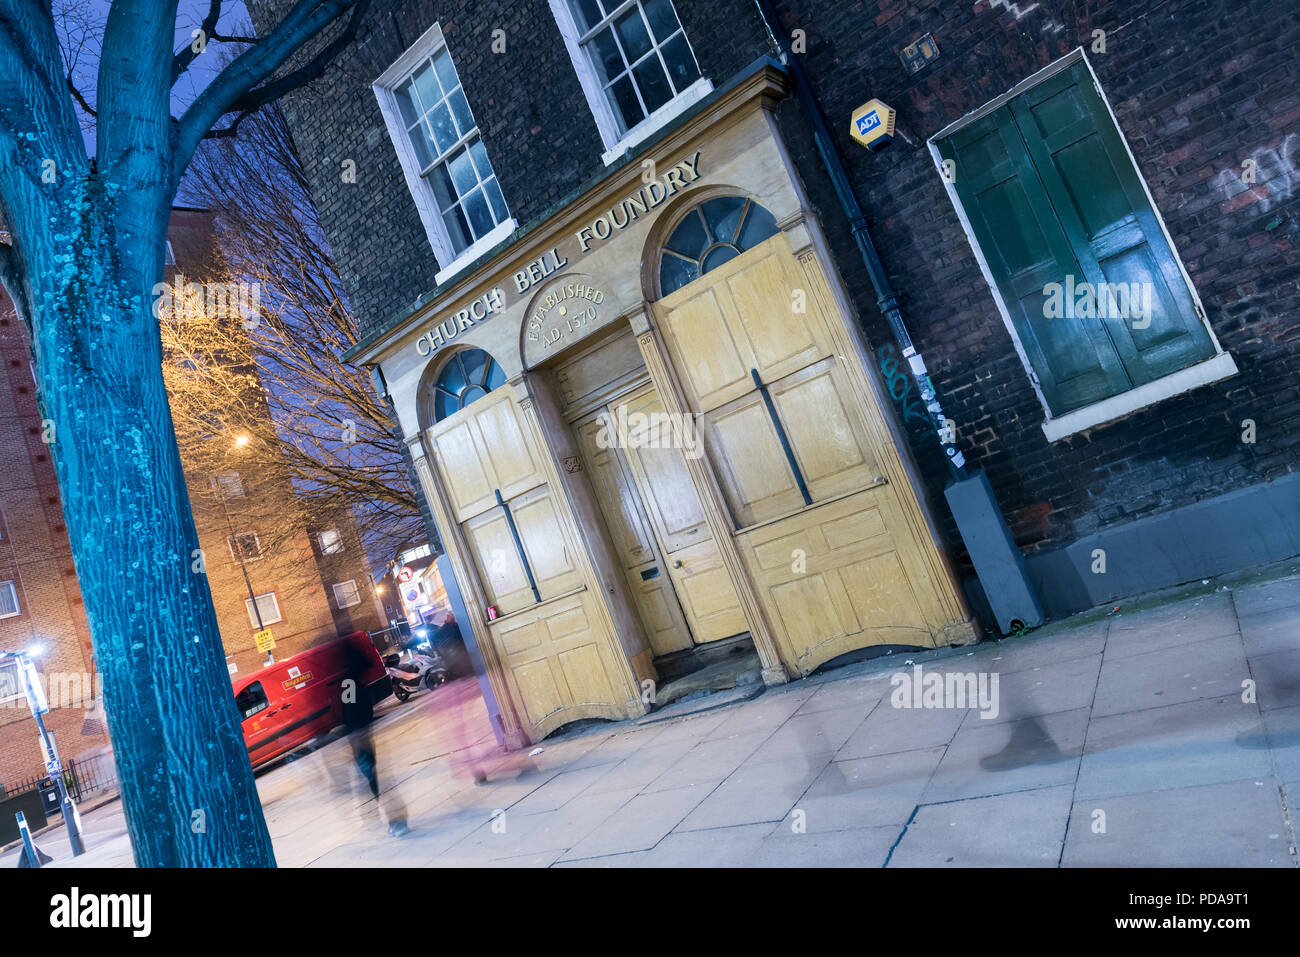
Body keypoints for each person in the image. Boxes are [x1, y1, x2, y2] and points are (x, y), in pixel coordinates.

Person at [341, 638, 409, 837]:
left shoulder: (348, 682)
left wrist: (351, 729)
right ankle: (387, 817)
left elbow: (348, 711)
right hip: (364, 731)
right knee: (373, 776)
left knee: (370, 776)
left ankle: (391, 819)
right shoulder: (357, 682)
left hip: (358, 735)